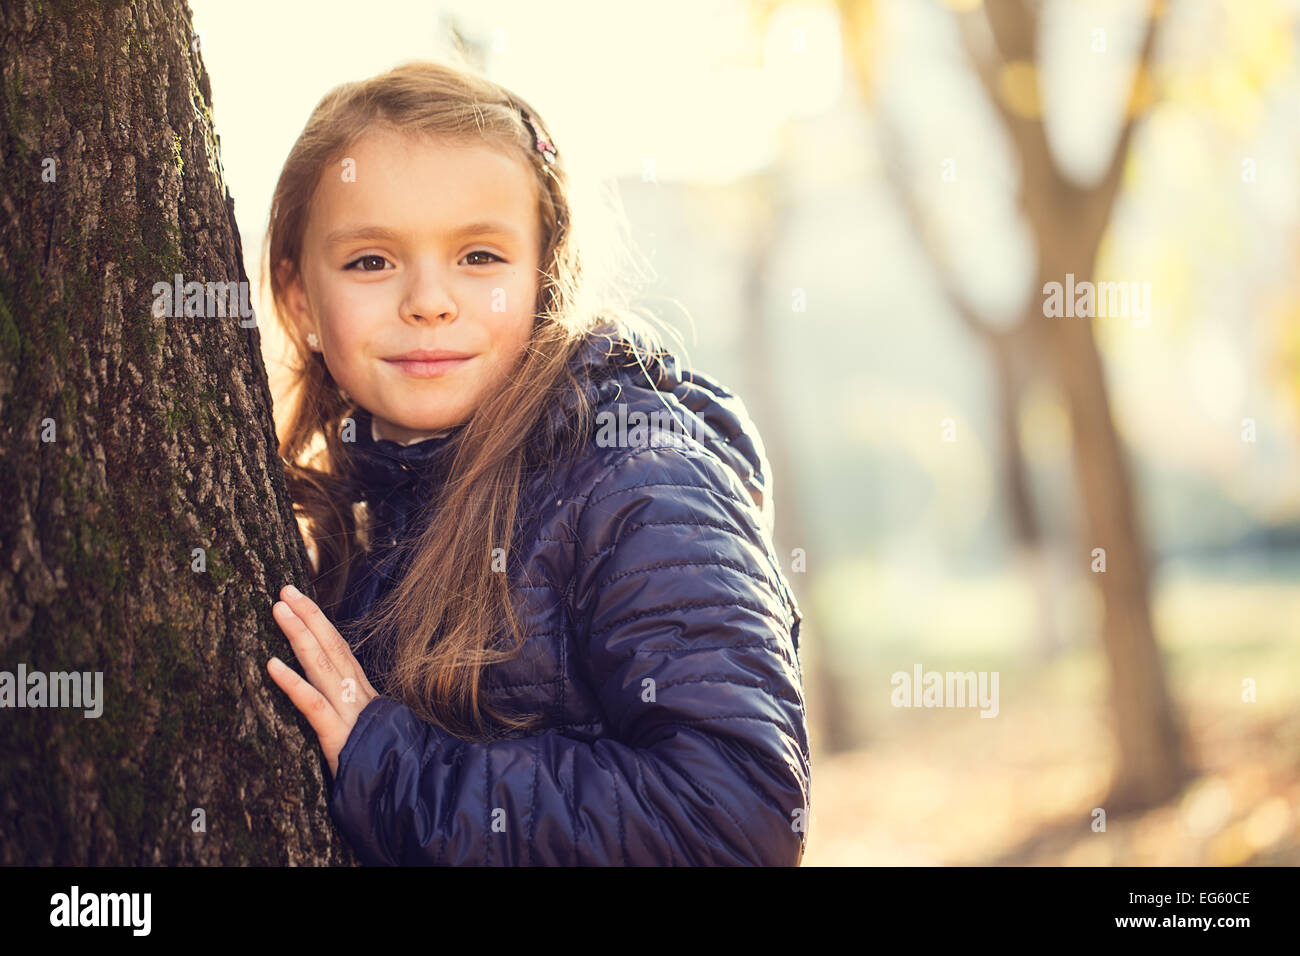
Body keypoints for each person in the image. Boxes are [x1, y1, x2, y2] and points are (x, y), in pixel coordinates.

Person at [262, 60, 810, 865]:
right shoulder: (369, 511)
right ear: (301, 301)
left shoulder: (636, 477)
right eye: (371, 261)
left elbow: (736, 817)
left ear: (546, 277)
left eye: (479, 256)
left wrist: (399, 770)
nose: (429, 299)